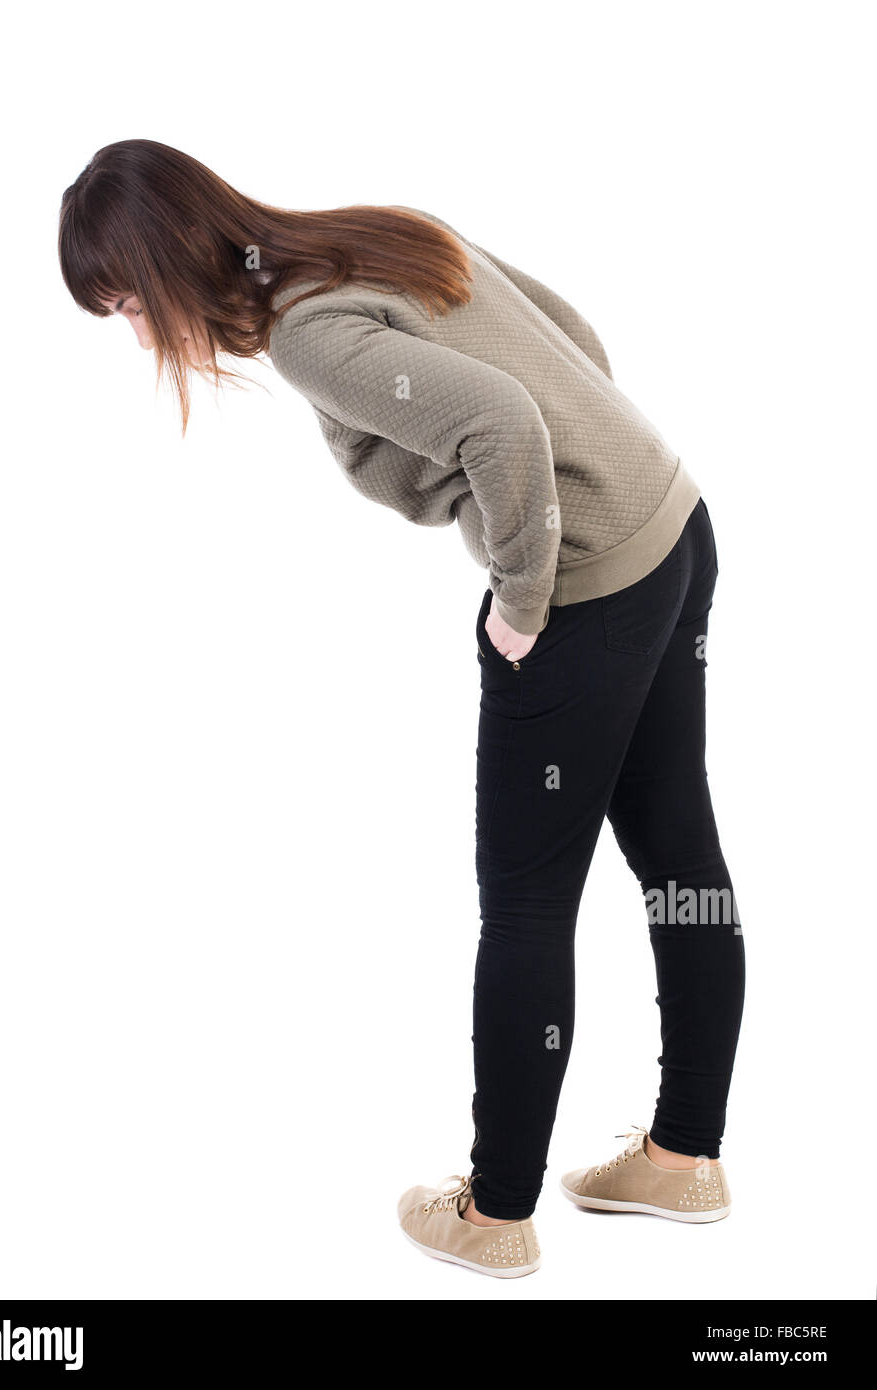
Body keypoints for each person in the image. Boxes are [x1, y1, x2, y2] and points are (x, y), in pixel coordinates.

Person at [59, 139, 746, 1280]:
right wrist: (605, 464)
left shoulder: (308, 332)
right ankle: (684, 1158)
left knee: (525, 903)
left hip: (589, 595)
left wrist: (525, 596)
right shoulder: (364, 232)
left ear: (166, 266)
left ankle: (496, 1212)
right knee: (679, 846)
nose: (138, 335)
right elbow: (566, 331)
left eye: (128, 303)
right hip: (672, 523)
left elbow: (504, 427)